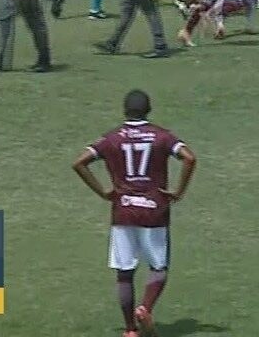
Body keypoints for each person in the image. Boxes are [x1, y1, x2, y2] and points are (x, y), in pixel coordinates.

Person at [72, 90, 197, 337]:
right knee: (158, 266)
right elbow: (189, 158)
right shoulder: (162, 135)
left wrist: (103, 192)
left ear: (124, 111)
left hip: (123, 209)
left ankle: (130, 330)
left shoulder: (111, 138)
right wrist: (178, 192)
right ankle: (145, 307)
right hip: (154, 209)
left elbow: (79, 163)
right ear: (148, 110)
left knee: (124, 272)